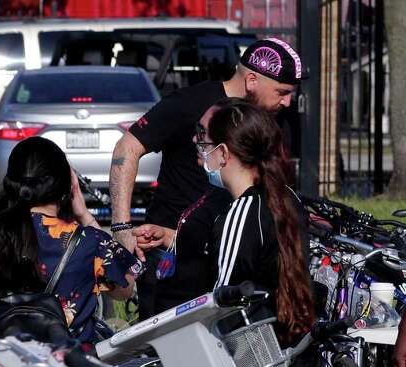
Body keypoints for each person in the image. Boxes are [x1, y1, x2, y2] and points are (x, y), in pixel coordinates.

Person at [109, 37, 303, 317]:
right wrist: (122, 228)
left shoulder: (274, 119)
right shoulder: (191, 104)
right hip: (174, 252)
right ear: (251, 80)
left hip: (231, 250)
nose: (287, 102)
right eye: (281, 91)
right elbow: (126, 149)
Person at [0, 137, 140, 343]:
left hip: (2, 365)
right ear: (67, 187)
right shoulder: (90, 243)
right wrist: (85, 216)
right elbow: (125, 289)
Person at [195, 98, 313, 340]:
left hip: (251, 352)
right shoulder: (287, 198)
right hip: (288, 340)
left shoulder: (242, 211)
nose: (203, 153)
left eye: (206, 145)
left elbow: (218, 304)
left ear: (224, 153)